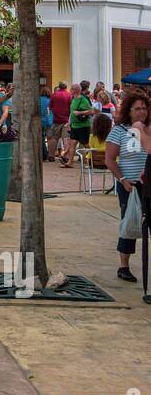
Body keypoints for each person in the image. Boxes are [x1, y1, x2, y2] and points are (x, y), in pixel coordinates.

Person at [105, 90, 151, 282]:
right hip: (130, 185)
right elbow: (110, 159)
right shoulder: (120, 131)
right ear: (129, 111)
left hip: (149, 183)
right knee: (130, 223)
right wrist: (122, 180)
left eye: (144, 108)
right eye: (137, 109)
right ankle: (124, 265)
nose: (141, 112)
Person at [63, 79, 94, 166]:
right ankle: (70, 162)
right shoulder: (73, 99)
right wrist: (69, 123)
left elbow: (91, 111)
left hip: (83, 126)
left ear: (76, 90)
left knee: (86, 144)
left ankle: (92, 159)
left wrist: (80, 112)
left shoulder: (83, 99)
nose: (70, 90)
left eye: (71, 89)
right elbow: (72, 112)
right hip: (74, 125)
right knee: (72, 143)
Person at [47, 81, 72, 161]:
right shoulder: (69, 95)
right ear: (66, 86)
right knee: (66, 138)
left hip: (56, 119)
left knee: (54, 137)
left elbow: (50, 107)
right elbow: (71, 107)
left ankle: (51, 155)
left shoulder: (54, 95)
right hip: (66, 119)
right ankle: (66, 156)